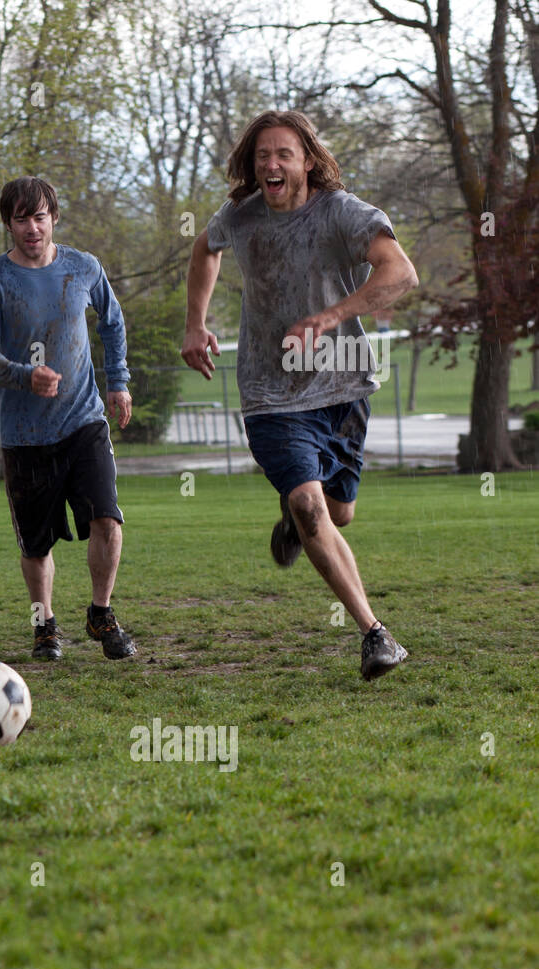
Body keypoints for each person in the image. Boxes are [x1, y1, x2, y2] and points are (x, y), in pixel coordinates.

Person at [181, 110, 419, 680]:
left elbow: (401, 274)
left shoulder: (342, 212)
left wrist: (331, 316)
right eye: (262, 155)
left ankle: (295, 518)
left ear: (307, 160)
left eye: (283, 154)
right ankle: (375, 634)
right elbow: (204, 250)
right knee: (313, 507)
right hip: (270, 392)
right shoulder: (240, 215)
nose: (271, 164)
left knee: (339, 513)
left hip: (341, 383)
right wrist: (196, 322)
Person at [0, 176, 137, 663]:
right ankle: (44, 626)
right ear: (8, 224)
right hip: (24, 437)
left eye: (40, 216)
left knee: (107, 517)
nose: (32, 227)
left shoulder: (83, 267)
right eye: (21, 218)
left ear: (54, 218)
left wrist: (119, 381)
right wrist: (26, 376)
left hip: (83, 421)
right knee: (37, 543)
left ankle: (101, 613)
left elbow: (112, 321)